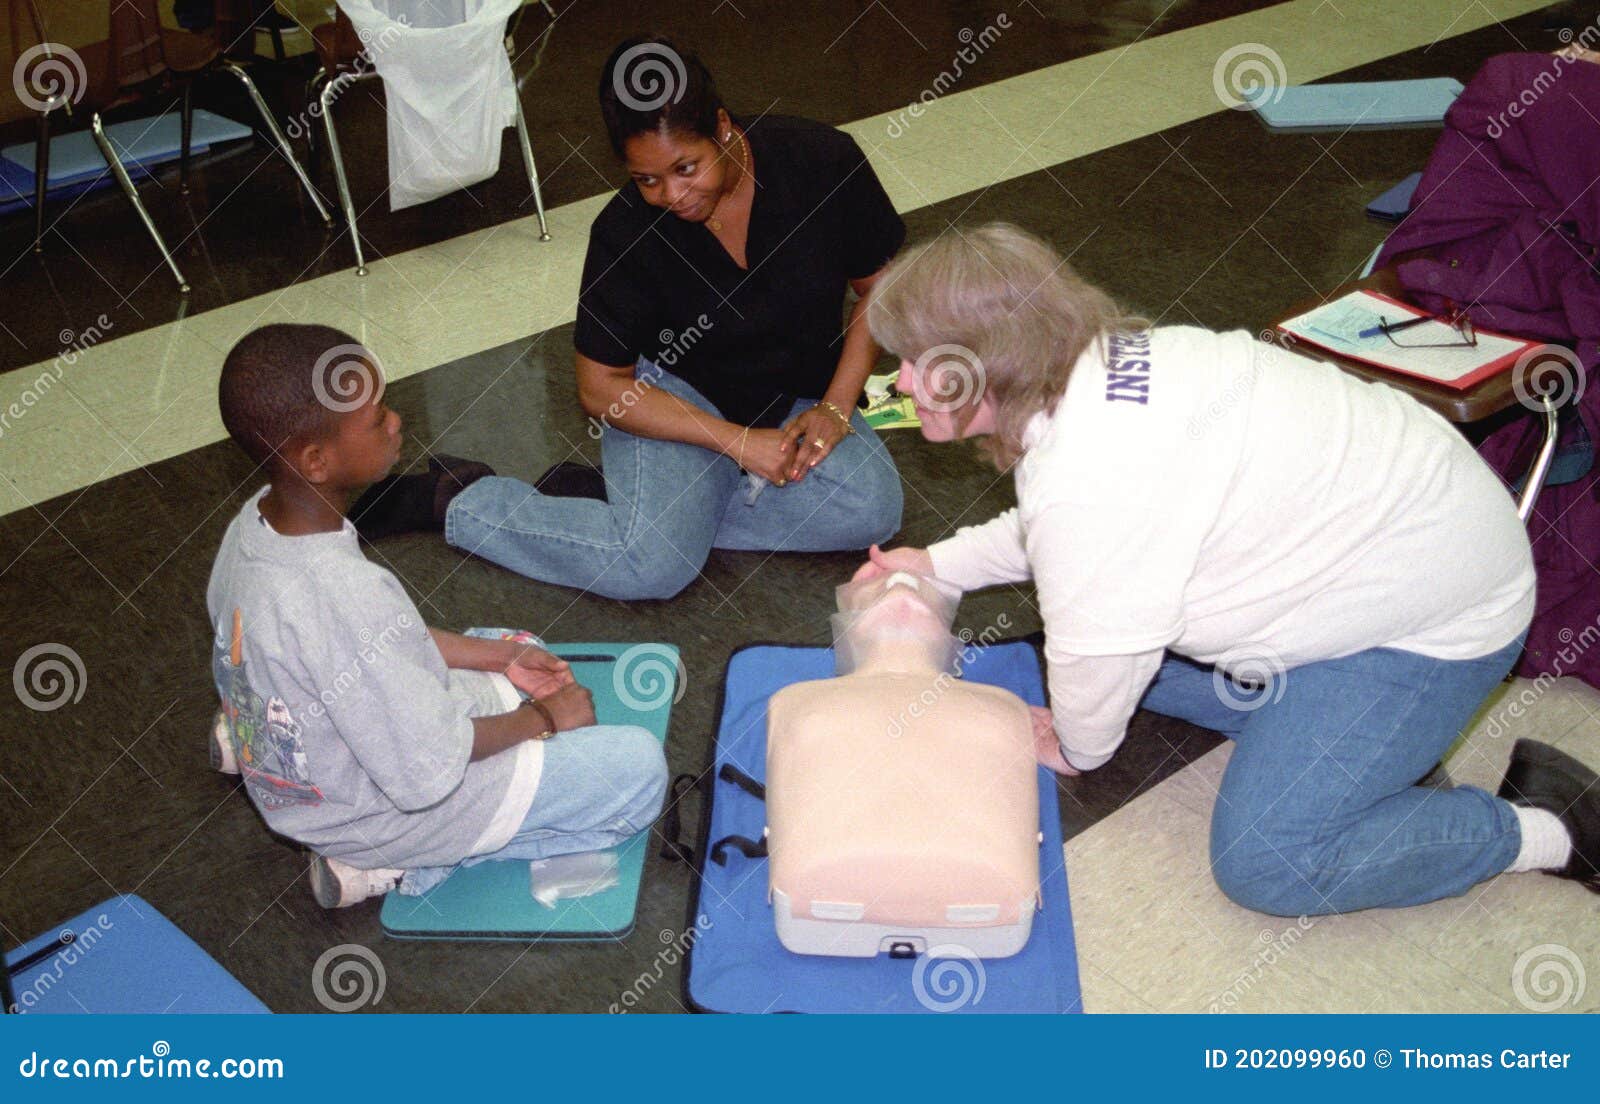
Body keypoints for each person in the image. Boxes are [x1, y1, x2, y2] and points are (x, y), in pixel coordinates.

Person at [854, 223, 1600, 915]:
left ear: (990, 365)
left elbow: (1092, 587)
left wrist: (1074, 746)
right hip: (1395, 557)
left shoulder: (1093, 474)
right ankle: (1350, 747)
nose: (904, 382)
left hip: (1438, 628)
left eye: (921, 363)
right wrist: (938, 565)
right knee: (1139, 670)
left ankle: (1549, 827)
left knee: (1266, 859)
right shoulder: (1102, 369)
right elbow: (1067, 535)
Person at [351, 35, 905, 600]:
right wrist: (738, 443)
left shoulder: (820, 160)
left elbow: (881, 289)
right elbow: (599, 389)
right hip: (676, 401)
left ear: (722, 127)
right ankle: (460, 498)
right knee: (651, 568)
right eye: (647, 180)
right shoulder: (625, 233)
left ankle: (645, 510)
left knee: (871, 512)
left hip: (796, 395)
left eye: (686, 167)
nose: (672, 195)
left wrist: (836, 406)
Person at [206, 324, 667, 908]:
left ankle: (258, 742)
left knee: (508, 641)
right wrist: (544, 719)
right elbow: (430, 766)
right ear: (316, 460)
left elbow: (371, 643)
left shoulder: (253, 524)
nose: (396, 421)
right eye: (377, 419)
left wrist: (505, 656)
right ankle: (392, 866)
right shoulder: (341, 594)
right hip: (378, 815)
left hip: (311, 767)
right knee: (637, 773)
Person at [766, 570, 1040, 955]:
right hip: (989, 891)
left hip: (820, 885)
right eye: (877, 584)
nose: (900, 588)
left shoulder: (795, 703)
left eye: (918, 585)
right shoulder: (1004, 710)